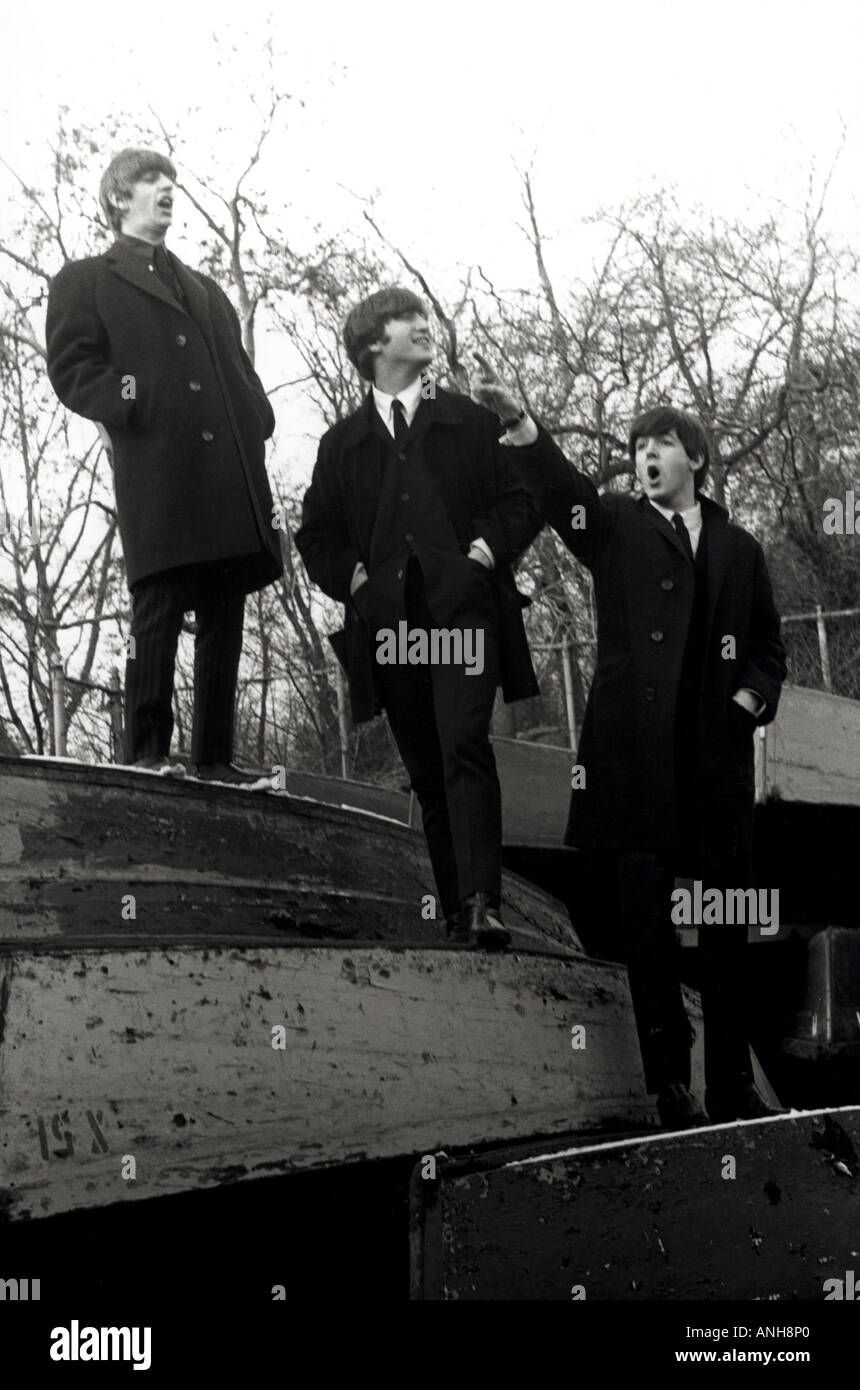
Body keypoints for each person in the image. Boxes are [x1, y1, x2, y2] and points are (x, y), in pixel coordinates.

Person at [476, 368, 787, 1127]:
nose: (647, 457)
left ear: (697, 460)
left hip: (714, 764)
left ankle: (733, 1089)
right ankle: (669, 1087)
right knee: (646, 932)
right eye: (639, 447)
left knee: (724, 927)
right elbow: (562, 494)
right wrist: (524, 429)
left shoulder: (740, 548)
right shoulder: (613, 524)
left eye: (663, 445)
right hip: (635, 763)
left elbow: (770, 647)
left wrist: (747, 700)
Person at [296, 288, 545, 948]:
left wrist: (483, 552)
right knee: (429, 767)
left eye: (425, 318)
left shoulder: (466, 421)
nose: (425, 327)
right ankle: (459, 914)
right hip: (391, 629)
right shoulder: (341, 444)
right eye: (410, 320)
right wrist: (357, 581)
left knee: (465, 742)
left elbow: (523, 500)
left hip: (464, 612)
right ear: (374, 343)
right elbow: (314, 535)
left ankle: (483, 903)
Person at [46, 148, 282, 785]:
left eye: (172, 181)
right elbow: (73, 369)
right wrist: (136, 396)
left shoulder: (205, 289)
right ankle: (146, 757)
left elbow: (241, 371)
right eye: (152, 181)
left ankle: (215, 759)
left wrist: (257, 419)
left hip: (230, 476)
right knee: (160, 601)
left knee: (225, 611)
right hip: (159, 470)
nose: (168, 190)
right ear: (120, 198)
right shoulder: (85, 280)